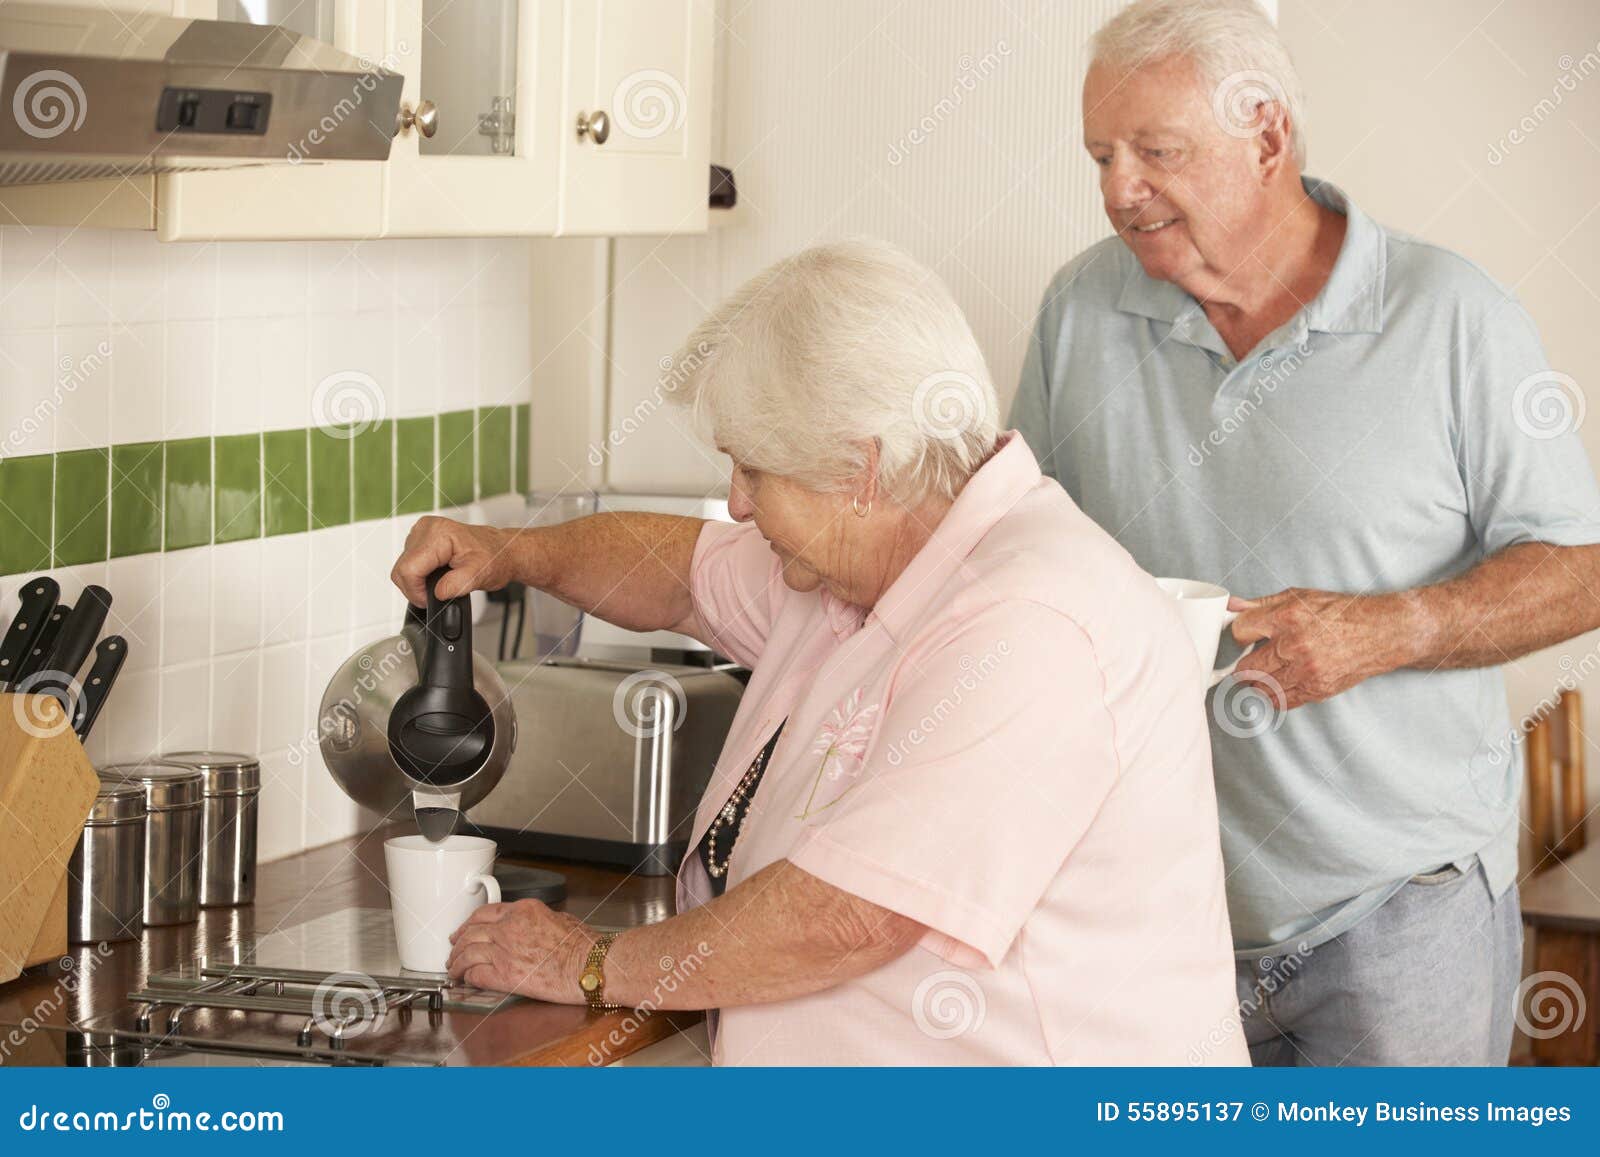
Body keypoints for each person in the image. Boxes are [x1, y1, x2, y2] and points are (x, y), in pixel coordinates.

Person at [393, 239, 1246, 1065]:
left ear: (861, 471)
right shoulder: (863, 565)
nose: (735, 503)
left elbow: (852, 914)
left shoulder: (1033, 621)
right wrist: (510, 553)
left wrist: (593, 965)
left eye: (752, 470)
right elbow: (682, 574)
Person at [1009, 0, 1600, 1065]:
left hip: (1396, 916)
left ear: (1267, 136)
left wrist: (1393, 628)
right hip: (1153, 913)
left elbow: (1581, 570)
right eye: (1101, 155)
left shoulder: (1452, 317)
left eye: (1156, 151)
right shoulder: (1078, 310)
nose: (1117, 189)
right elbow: (1021, 553)